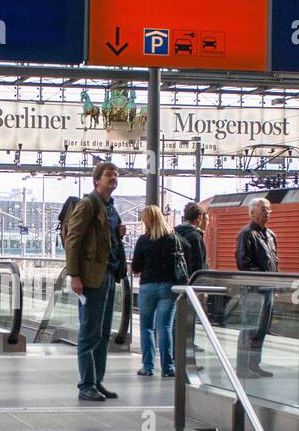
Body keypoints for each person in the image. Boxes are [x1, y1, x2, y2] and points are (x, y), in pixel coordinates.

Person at [64, 161, 127, 402]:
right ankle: (86, 384)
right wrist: (74, 274)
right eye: (109, 175)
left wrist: (118, 234)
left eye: (116, 174)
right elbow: (73, 240)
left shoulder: (111, 208)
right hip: (91, 277)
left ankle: (97, 381)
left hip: (109, 275)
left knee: (103, 333)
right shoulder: (88, 204)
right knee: (90, 332)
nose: (114, 178)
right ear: (97, 180)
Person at [131, 205, 183, 377]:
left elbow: (136, 266)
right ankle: (168, 368)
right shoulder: (173, 238)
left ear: (146, 220)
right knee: (165, 327)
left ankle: (148, 367)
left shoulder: (143, 240)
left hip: (147, 287)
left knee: (146, 328)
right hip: (168, 287)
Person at [234, 197, 278, 378]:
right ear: (252, 213)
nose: (267, 213)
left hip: (268, 288)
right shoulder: (247, 234)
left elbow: (273, 261)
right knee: (249, 328)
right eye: (263, 209)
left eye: (268, 209)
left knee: (261, 328)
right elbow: (243, 262)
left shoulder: (270, 235)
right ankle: (243, 367)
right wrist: (261, 277)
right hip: (253, 289)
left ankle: (254, 364)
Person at [174, 202, 208, 278]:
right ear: (199, 218)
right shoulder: (195, 237)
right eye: (206, 219)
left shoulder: (174, 234)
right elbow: (198, 264)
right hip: (191, 282)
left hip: (176, 281)